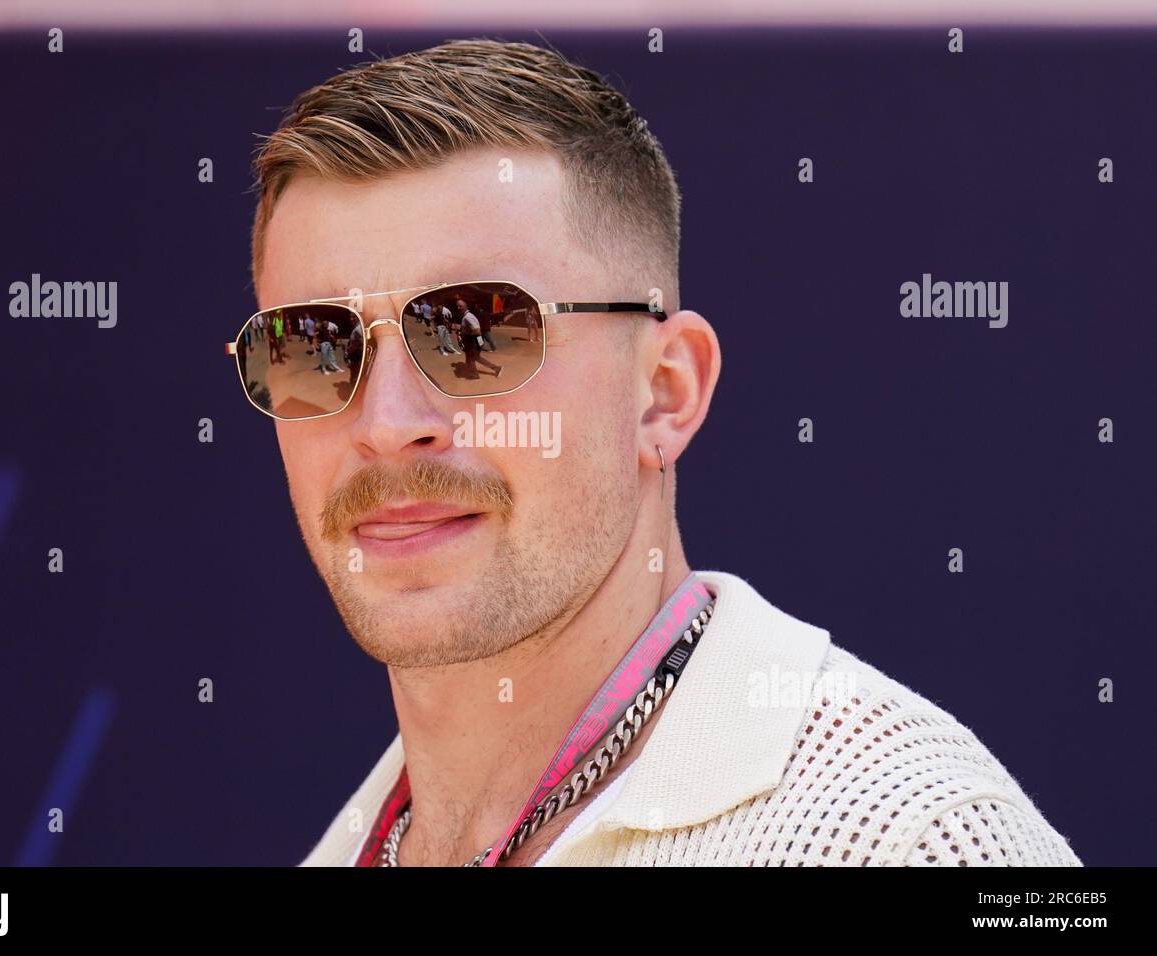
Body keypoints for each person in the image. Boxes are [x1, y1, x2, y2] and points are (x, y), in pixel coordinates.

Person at [244, 39, 1081, 868]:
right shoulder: (354, 847)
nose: (386, 422)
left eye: (475, 332)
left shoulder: (913, 841)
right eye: (313, 347)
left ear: (665, 392)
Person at [456, 299, 501, 379]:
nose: (459, 308)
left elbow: (477, 330)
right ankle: (497, 368)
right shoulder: (468, 316)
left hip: (473, 342)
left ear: (466, 306)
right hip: (476, 340)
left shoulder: (467, 317)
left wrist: (466, 334)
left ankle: (474, 374)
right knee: (475, 357)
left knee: (470, 359)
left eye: (461, 306)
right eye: (458, 306)